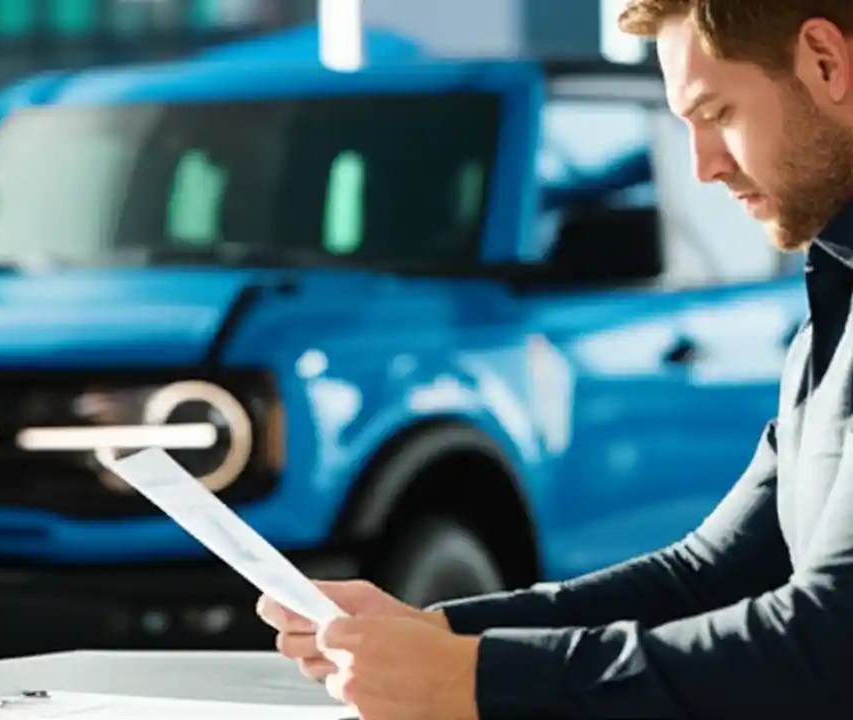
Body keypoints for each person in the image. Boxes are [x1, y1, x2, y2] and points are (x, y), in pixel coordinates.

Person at [256, 1, 853, 718]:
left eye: (718, 112)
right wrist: (433, 631)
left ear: (824, 61)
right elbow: (707, 574)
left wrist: (471, 679)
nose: (701, 168)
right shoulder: (834, 305)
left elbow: (830, 648)